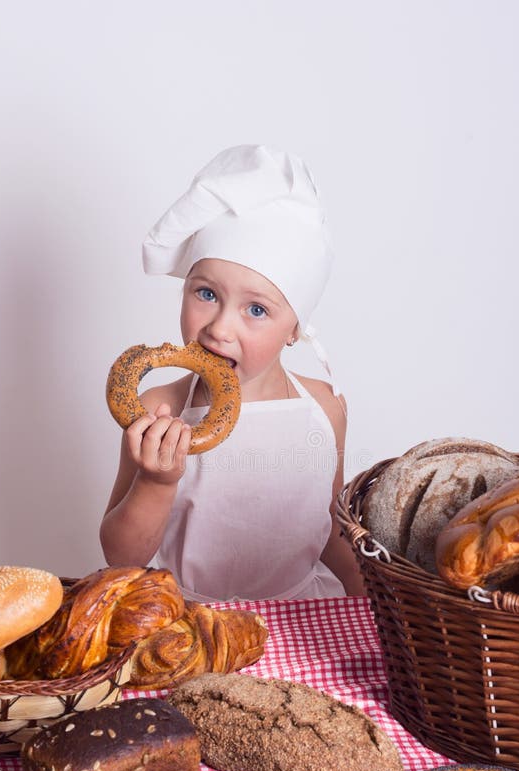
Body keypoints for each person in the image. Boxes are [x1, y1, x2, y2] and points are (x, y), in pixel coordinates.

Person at [100, 144, 365, 603]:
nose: (220, 327)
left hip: (301, 616)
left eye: (257, 309)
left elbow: (331, 532)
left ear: (294, 329)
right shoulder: (156, 411)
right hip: (190, 620)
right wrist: (157, 481)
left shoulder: (325, 409)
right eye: (205, 294)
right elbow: (122, 558)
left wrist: (373, 613)